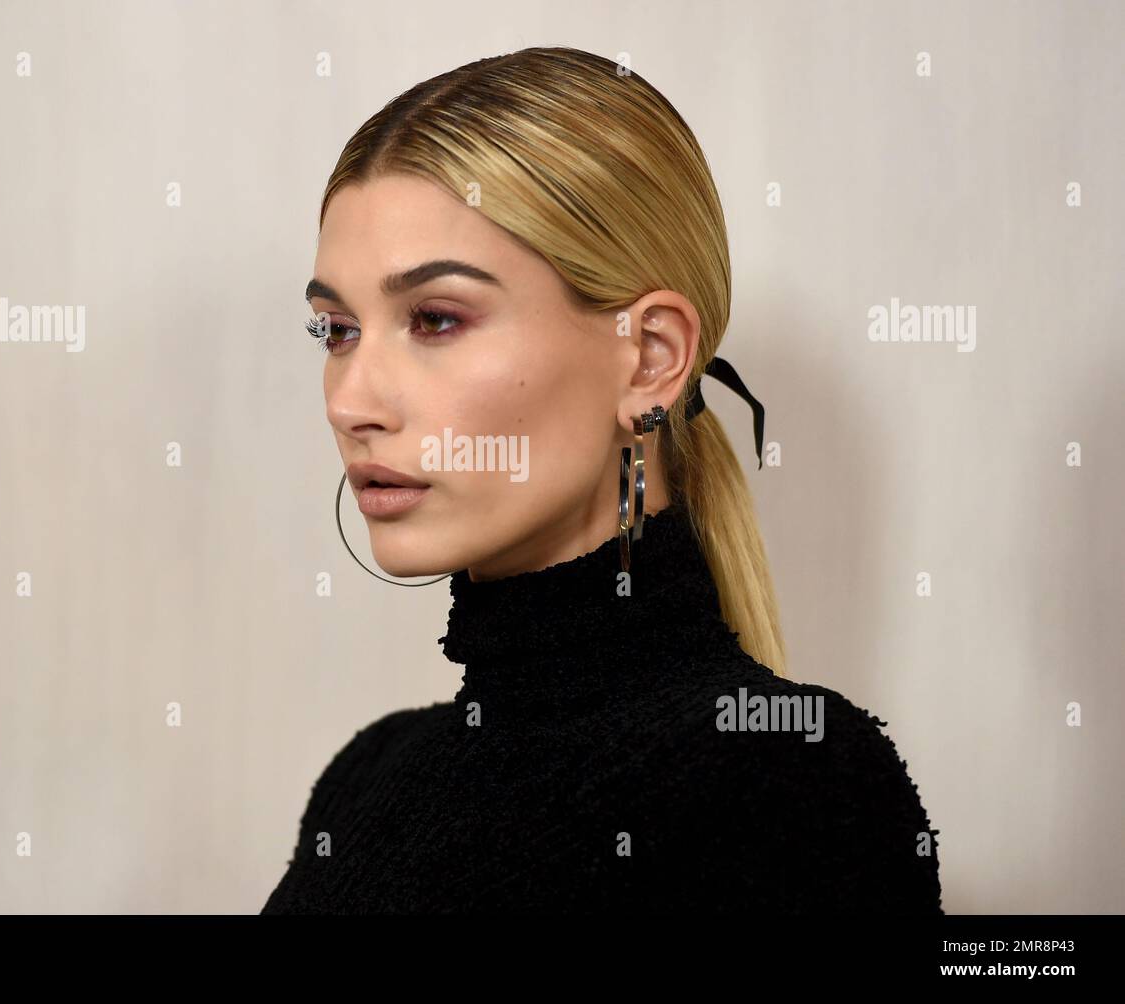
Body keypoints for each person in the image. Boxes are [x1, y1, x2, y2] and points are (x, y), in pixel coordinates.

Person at [262, 46, 942, 914]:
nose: (350, 401)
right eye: (338, 331)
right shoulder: (368, 777)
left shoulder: (790, 777)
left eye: (434, 319)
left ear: (651, 358)